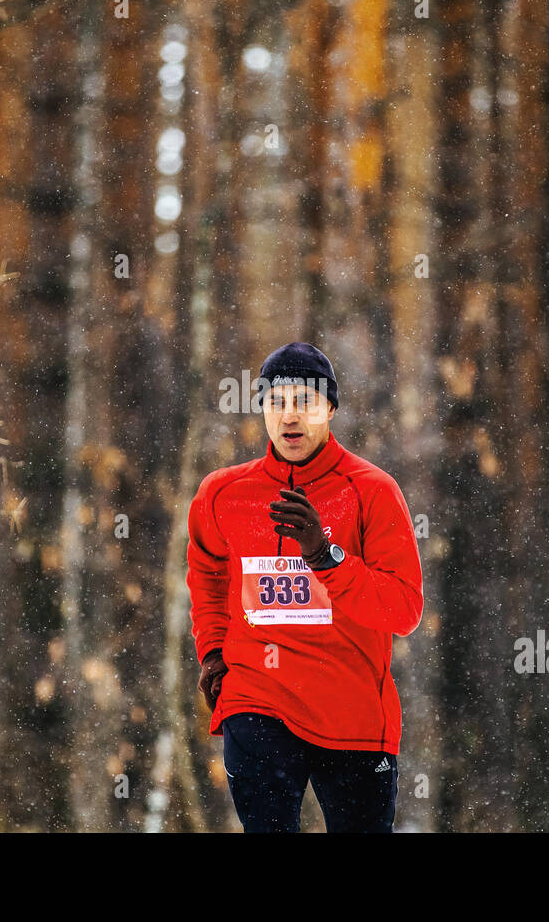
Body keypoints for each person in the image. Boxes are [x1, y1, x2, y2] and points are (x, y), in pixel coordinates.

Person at [186, 341, 424, 832]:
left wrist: (325, 557)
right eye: (277, 402)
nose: (290, 416)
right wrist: (212, 651)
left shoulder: (372, 490)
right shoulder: (223, 493)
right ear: (262, 409)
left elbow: (404, 609)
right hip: (258, 700)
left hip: (352, 714)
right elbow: (207, 572)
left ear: (330, 409)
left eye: (306, 402)